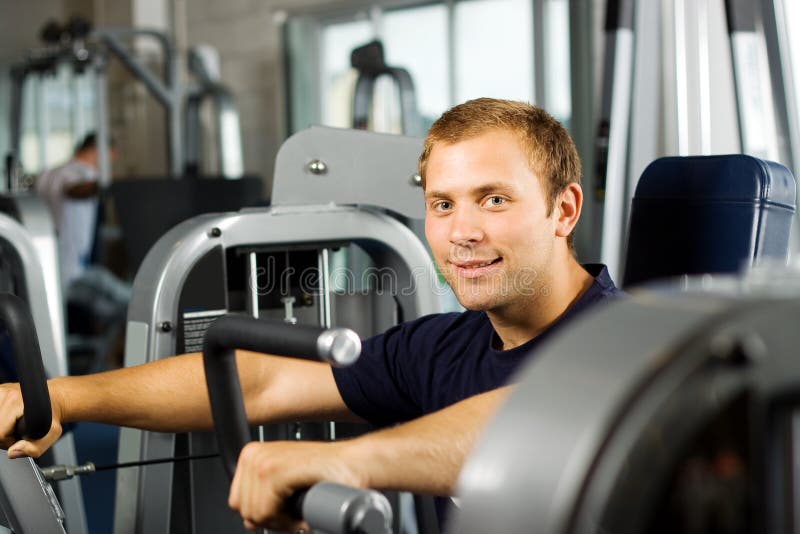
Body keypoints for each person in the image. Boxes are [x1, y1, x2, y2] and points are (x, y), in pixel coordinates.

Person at [1, 98, 622, 532]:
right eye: (442, 203)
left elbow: (536, 418)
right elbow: (262, 381)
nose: (461, 231)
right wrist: (65, 397)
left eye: (494, 200)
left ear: (563, 210)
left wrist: (345, 462)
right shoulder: (441, 349)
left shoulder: (631, 346)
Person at [36, 133, 109, 286]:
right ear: (96, 151)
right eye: (110, 157)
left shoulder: (50, 173)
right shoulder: (83, 173)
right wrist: (107, 184)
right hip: (70, 257)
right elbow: (74, 190)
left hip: (49, 250)